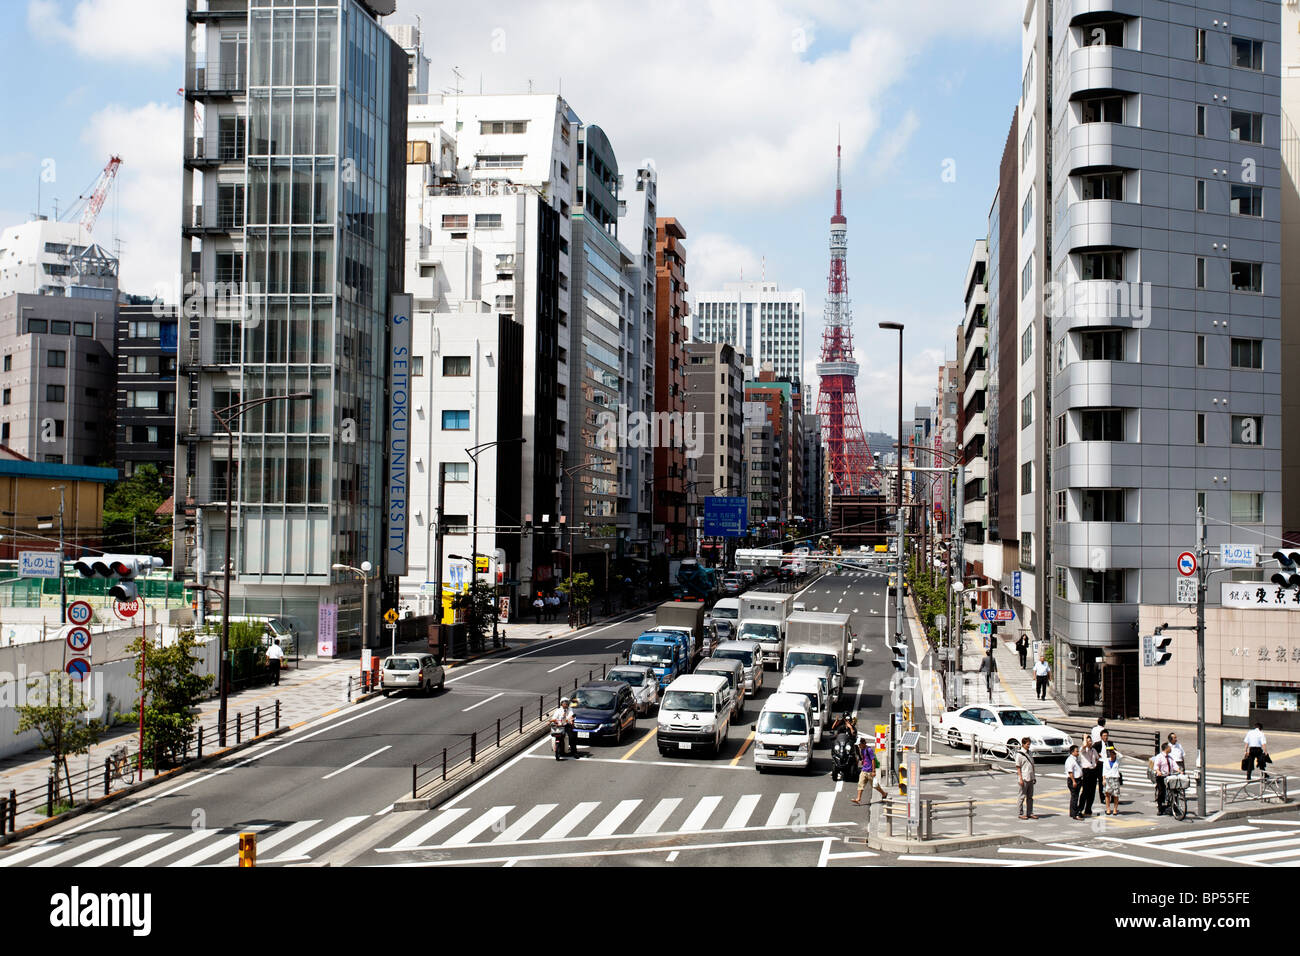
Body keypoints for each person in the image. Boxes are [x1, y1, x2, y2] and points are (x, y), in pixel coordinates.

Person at [852, 736, 886, 808]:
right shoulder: (862, 750)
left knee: (875, 786)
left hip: (870, 771)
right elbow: (864, 758)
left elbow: (873, 760)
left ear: (863, 743)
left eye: (859, 744)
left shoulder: (869, 750)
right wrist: (863, 761)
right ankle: (858, 798)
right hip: (864, 770)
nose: (859, 746)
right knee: (860, 784)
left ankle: (883, 793)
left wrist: (873, 771)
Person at [1016, 736, 1037, 820]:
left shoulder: (1030, 753)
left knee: (1030, 797)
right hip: (1024, 778)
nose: (1029, 746)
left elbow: (1032, 765)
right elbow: (1018, 767)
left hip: (1030, 777)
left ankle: (1030, 812)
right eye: (1027, 744)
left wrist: (1034, 777)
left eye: (1029, 744)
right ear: (1023, 744)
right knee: (1021, 796)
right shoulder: (1019, 754)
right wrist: (1020, 778)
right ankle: (1020, 813)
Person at [1153, 742, 1177, 814]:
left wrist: (1179, 770)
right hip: (1161, 776)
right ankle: (1160, 808)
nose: (1171, 748)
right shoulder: (1159, 757)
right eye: (1169, 747)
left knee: (1174, 790)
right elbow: (1156, 766)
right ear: (1166, 748)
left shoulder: (1170, 757)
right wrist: (1158, 771)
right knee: (1161, 792)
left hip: (1169, 776)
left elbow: (1174, 765)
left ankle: (1174, 805)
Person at [1078, 737, 1099, 817]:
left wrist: (1094, 765)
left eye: (1090, 741)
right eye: (1088, 741)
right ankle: (1080, 809)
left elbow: (1097, 758)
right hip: (1086, 771)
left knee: (1092, 792)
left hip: (1093, 771)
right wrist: (1085, 740)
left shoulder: (1094, 750)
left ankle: (1088, 809)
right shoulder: (1083, 750)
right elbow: (1083, 747)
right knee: (1085, 792)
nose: (1090, 742)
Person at [1101, 739, 1123, 815]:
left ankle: (1115, 809)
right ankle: (1108, 809)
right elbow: (1104, 771)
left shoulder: (1117, 760)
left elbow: (1121, 756)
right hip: (1107, 778)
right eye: (1110, 753)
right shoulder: (1106, 761)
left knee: (1116, 795)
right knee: (1107, 794)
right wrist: (1103, 779)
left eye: (1113, 753)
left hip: (1115, 778)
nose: (1111, 754)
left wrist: (1114, 750)